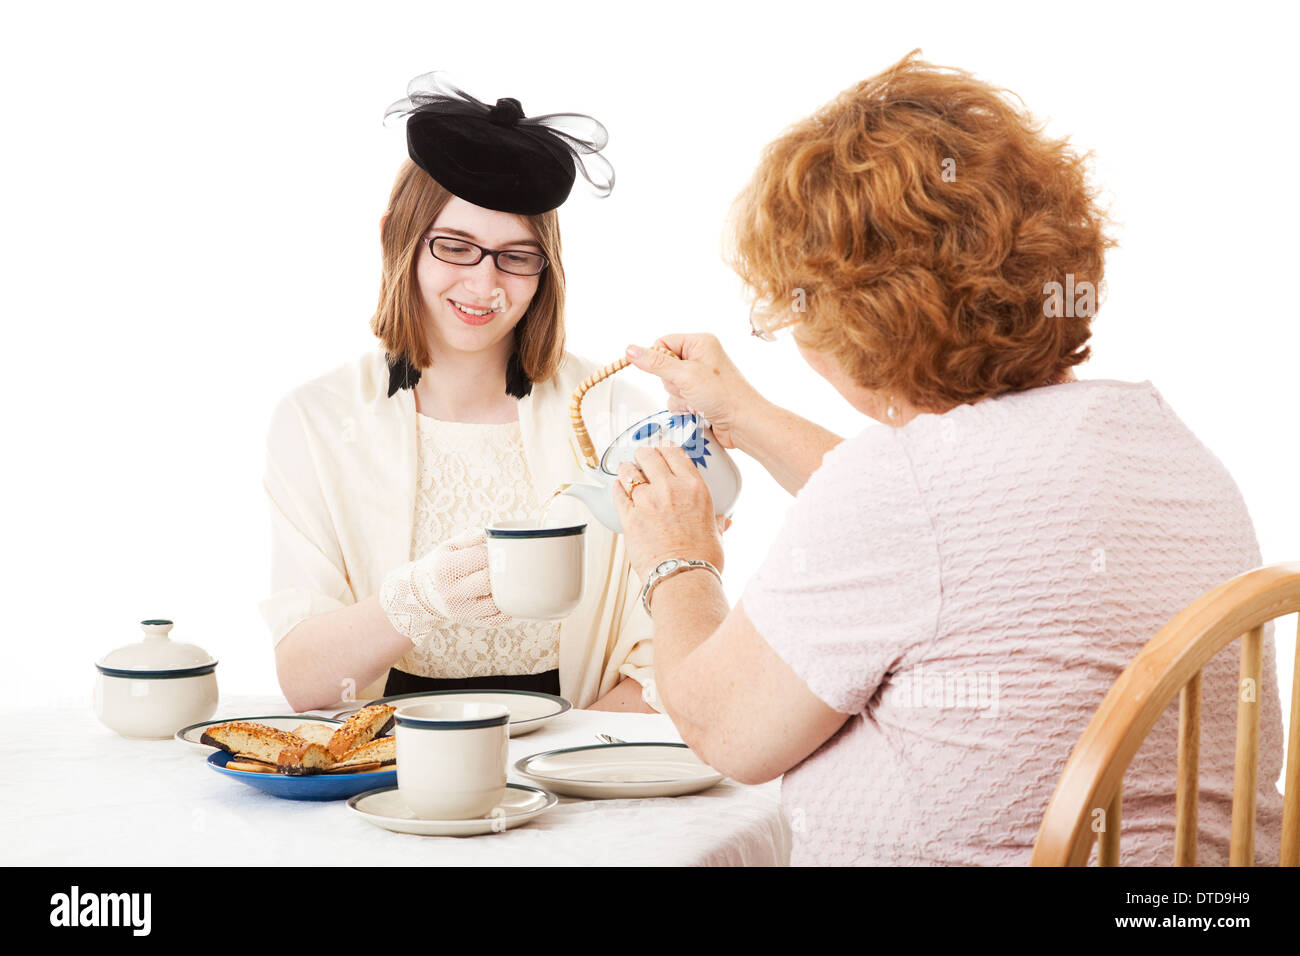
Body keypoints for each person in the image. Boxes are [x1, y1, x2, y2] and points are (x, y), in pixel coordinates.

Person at [612, 51, 1286, 865]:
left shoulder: (903, 494)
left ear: (853, 319)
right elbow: (945, 537)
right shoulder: (1165, 448)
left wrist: (676, 559)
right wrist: (745, 418)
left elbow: (725, 730)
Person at [261, 73, 658, 713]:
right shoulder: (315, 420)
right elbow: (306, 683)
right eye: (455, 246)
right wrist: (418, 599)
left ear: (545, 269)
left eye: (516, 256)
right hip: (390, 764)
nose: (484, 285)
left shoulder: (614, 413)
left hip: (578, 761)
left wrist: (545, 768)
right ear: (397, 237)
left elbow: (665, 664)